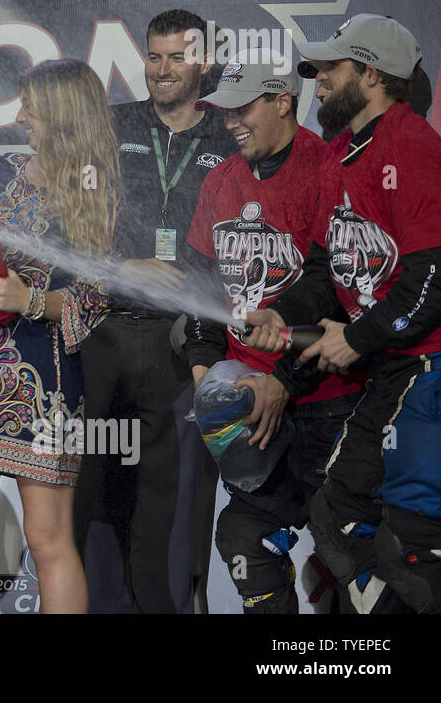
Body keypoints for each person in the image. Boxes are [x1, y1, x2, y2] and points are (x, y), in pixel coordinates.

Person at [246, 14, 441, 613]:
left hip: (428, 369)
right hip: (388, 367)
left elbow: (431, 278)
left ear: (372, 74)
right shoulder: (338, 155)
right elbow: (326, 271)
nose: (318, 79)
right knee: (335, 514)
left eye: (332, 67)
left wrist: (356, 338)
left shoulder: (412, 145)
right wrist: (279, 312)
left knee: (411, 539)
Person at [0, 59, 117, 614]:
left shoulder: (93, 180)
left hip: (42, 382)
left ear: (59, 111)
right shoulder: (6, 168)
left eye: (30, 105)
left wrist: (30, 301)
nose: (21, 116)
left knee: (48, 542)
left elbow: (98, 292)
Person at [181, 49, 363, 613]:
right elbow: (201, 290)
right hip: (252, 413)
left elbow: (335, 288)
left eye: (242, 109)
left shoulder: (329, 169)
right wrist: (211, 378)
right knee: (242, 540)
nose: (229, 122)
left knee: (349, 550)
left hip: (328, 404)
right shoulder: (219, 181)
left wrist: (283, 379)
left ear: (284, 101)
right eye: (223, 111)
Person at [72, 9, 237, 614]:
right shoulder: (111, 127)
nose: (163, 70)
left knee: (169, 504)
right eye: (154, 57)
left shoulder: (230, 133)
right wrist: (120, 269)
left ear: (205, 63)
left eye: (177, 57)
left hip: (181, 342)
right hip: (103, 333)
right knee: (92, 494)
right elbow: (66, 230)